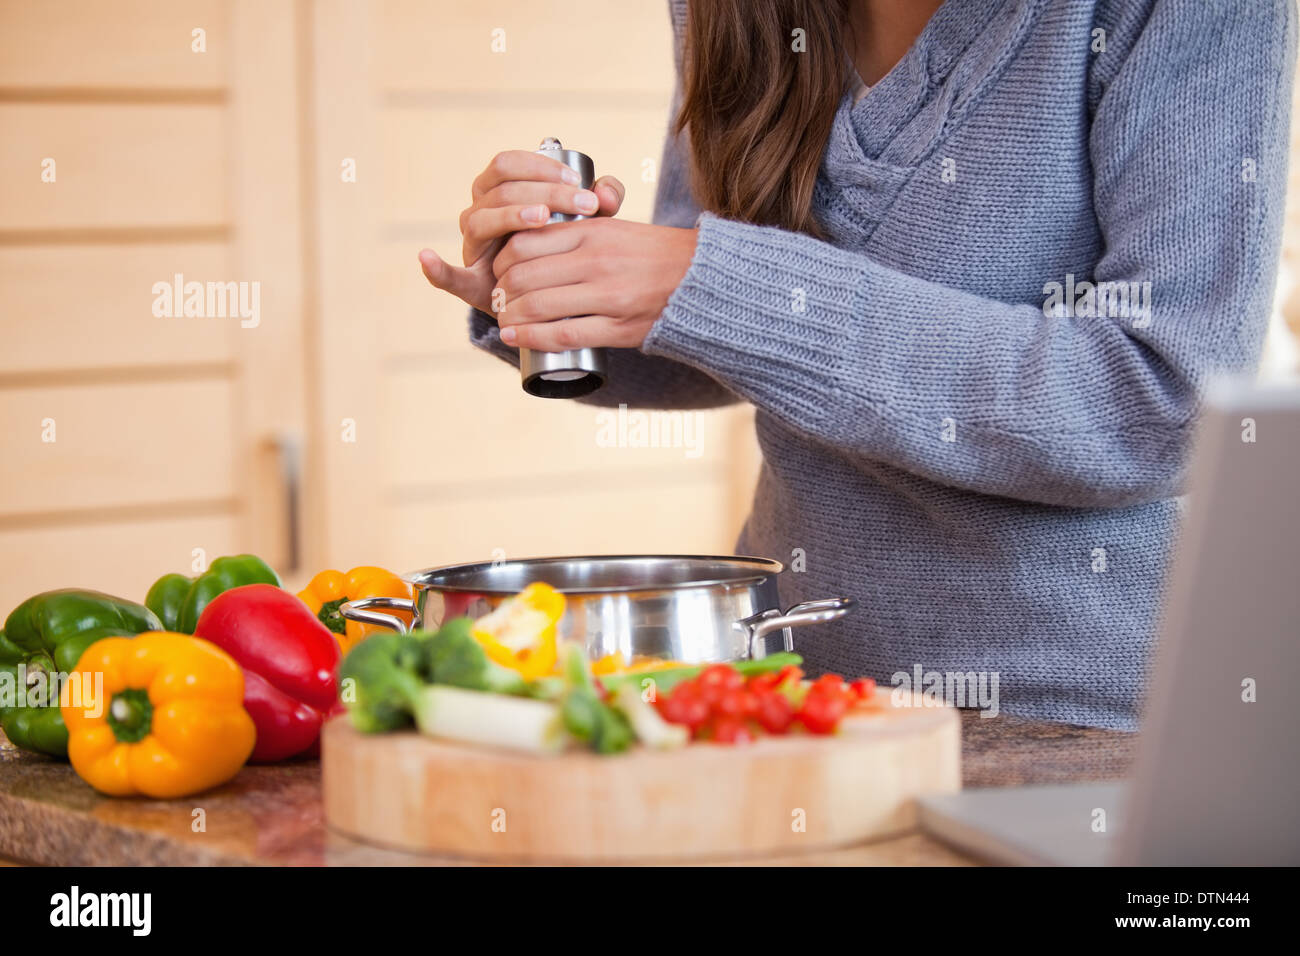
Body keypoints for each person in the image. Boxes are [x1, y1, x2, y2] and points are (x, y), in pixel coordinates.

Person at [419, 0, 1296, 729]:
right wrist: (562, 295)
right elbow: (731, 341)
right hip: (789, 694)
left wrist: (708, 281)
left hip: (1080, 731)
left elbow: (1163, 401)